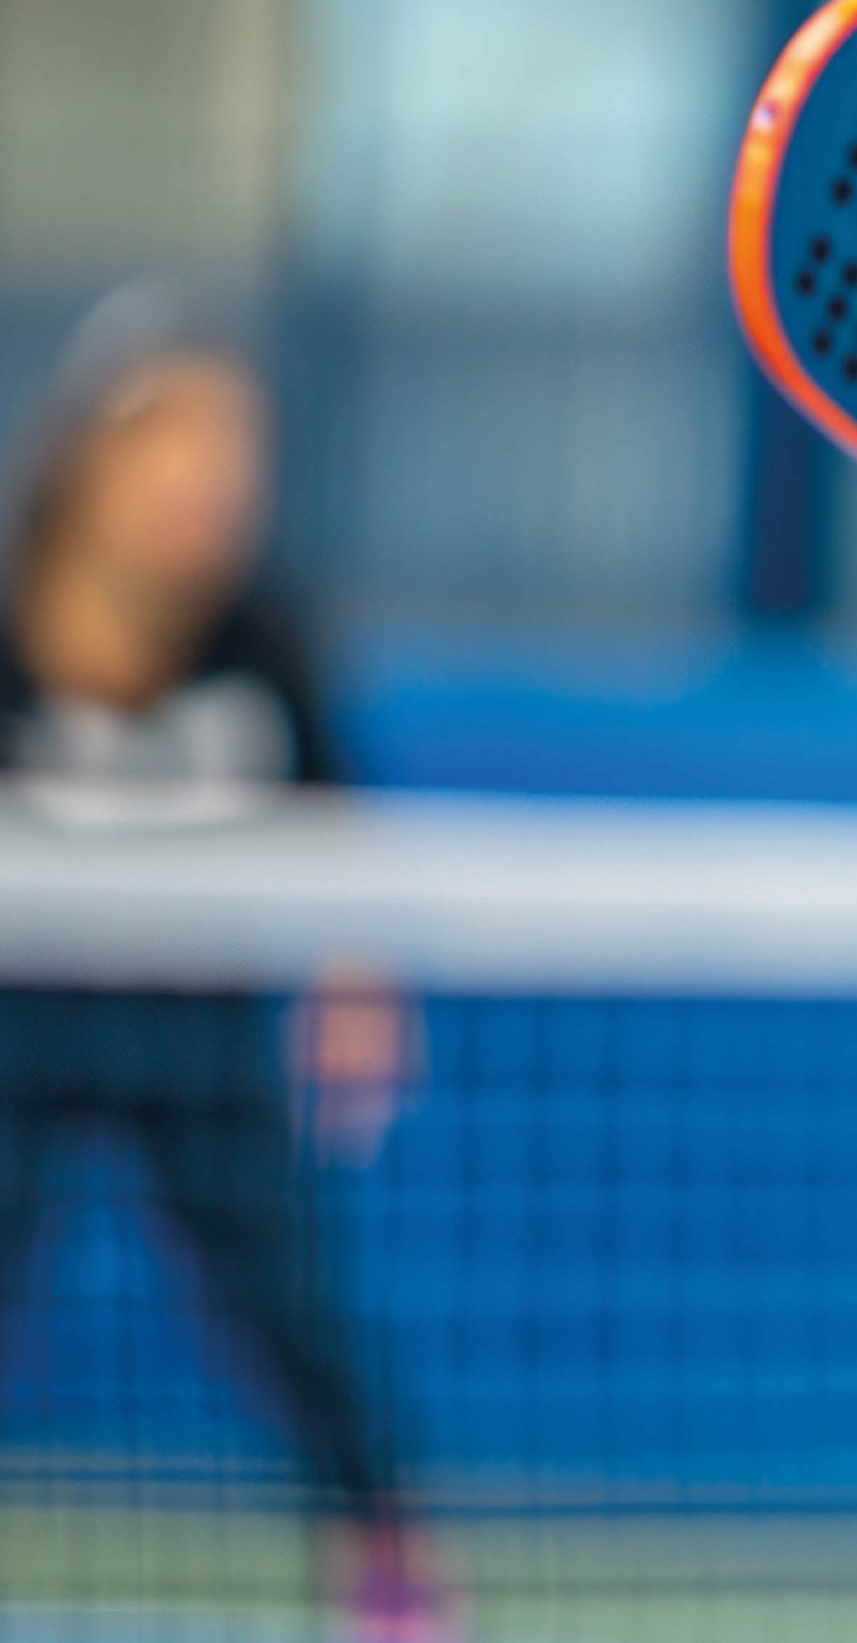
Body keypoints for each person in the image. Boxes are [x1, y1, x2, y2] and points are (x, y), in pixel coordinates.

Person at [0, 290, 455, 1642]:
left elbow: (338, 833)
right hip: (17, 1028)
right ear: (95, 459)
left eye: (235, 458)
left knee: (298, 1311)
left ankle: (391, 1572)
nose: (213, 486)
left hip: (194, 1034)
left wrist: (359, 985)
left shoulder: (265, 638)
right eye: (181, 450)